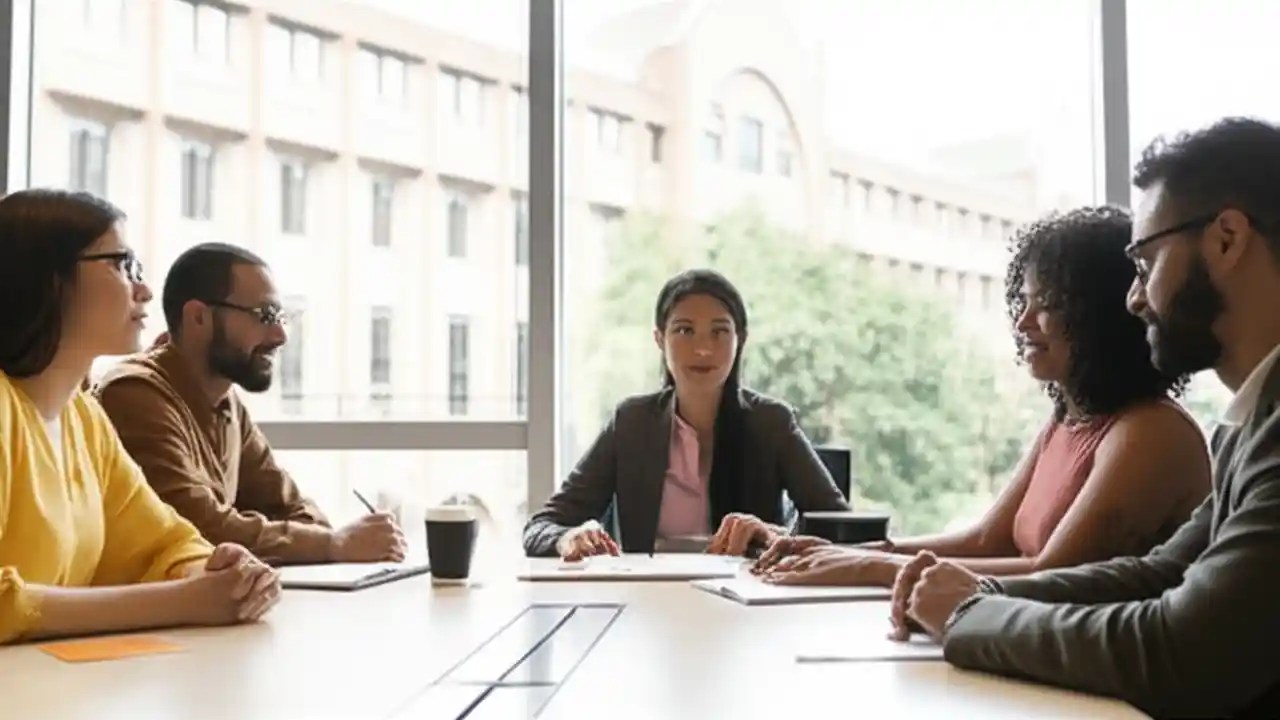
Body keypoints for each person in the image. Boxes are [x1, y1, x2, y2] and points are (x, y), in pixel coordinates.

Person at [891, 117, 1280, 718]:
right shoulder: (1253, 419)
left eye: (1146, 262)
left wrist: (970, 615)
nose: (1133, 298)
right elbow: (1160, 573)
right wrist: (984, 592)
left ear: (1227, 239)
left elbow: (1182, 650)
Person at [753, 207, 1212, 588]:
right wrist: (848, 552)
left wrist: (870, 568)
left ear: (1099, 316)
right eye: (1024, 302)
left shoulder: (1151, 431)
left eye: (1047, 304)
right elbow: (985, 540)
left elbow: (1050, 574)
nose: (1023, 323)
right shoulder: (1068, 420)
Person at [0, 189, 280, 644]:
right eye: (122, 265)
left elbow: (164, 543)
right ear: (50, 278)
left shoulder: (83, 418)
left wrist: (221, 571)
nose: (145, 290)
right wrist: (187, 600)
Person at [95, 243, 406, 566]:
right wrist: (332, 544)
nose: (281, 335)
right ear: (198, 317)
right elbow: (197, 529)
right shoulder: (134, 395)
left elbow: (293, 507)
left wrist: (321, 540)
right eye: (265, 316)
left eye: (280, 317)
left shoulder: (224, 399)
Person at [523, 269, 850, 560]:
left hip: (747, 607)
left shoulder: (771, 422)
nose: (703, 348)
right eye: (684, 330)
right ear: (659, 339)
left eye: (719, 332)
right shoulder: (632, 423)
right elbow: (542, 526)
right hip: (648, 605)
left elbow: (845, 530)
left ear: (741, 340)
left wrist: (772, 535)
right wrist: (567, 538)